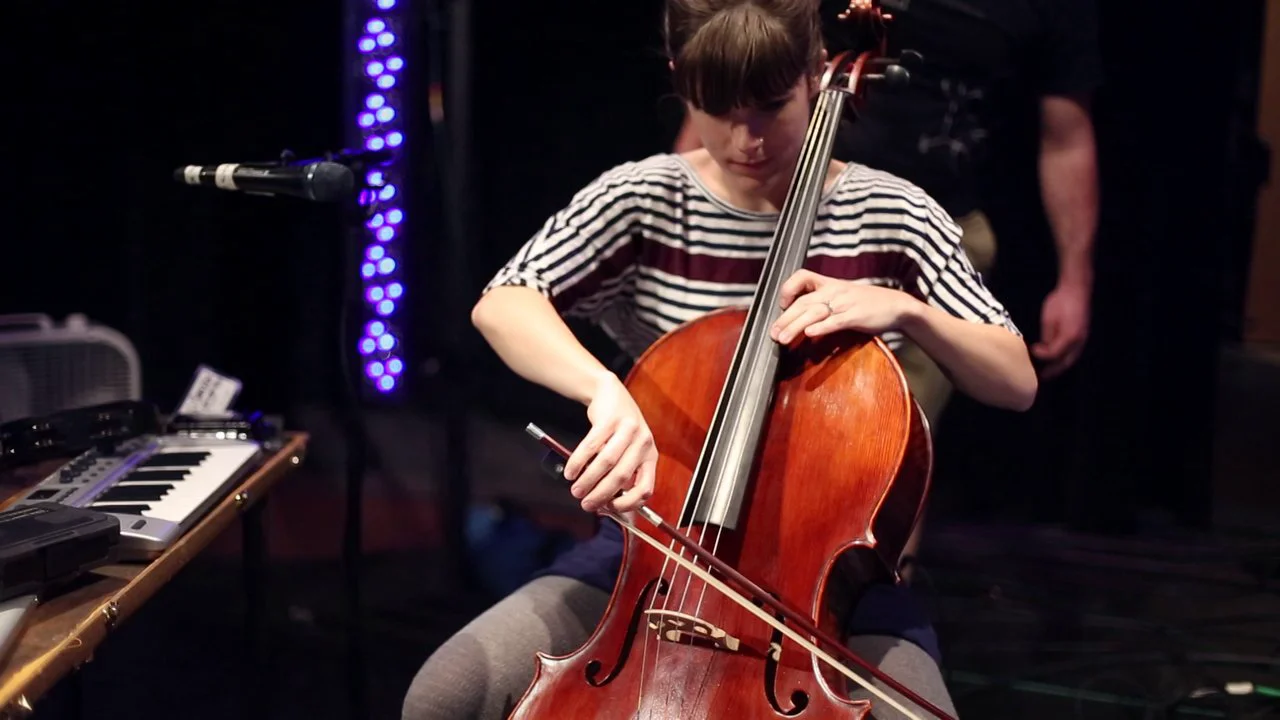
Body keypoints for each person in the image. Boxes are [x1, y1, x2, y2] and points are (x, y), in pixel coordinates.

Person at [402, 0, 1037, 718]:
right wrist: (603, 390)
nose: (746, 140)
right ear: (681, 78)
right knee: (445, 695)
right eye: (716, 109)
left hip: (828, 583)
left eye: (770, 106)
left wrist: (908, 312)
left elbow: (1014, 381)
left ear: (816, 74)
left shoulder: (894, 212)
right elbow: (505, 302)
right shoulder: (644, 196)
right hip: (655, 559)